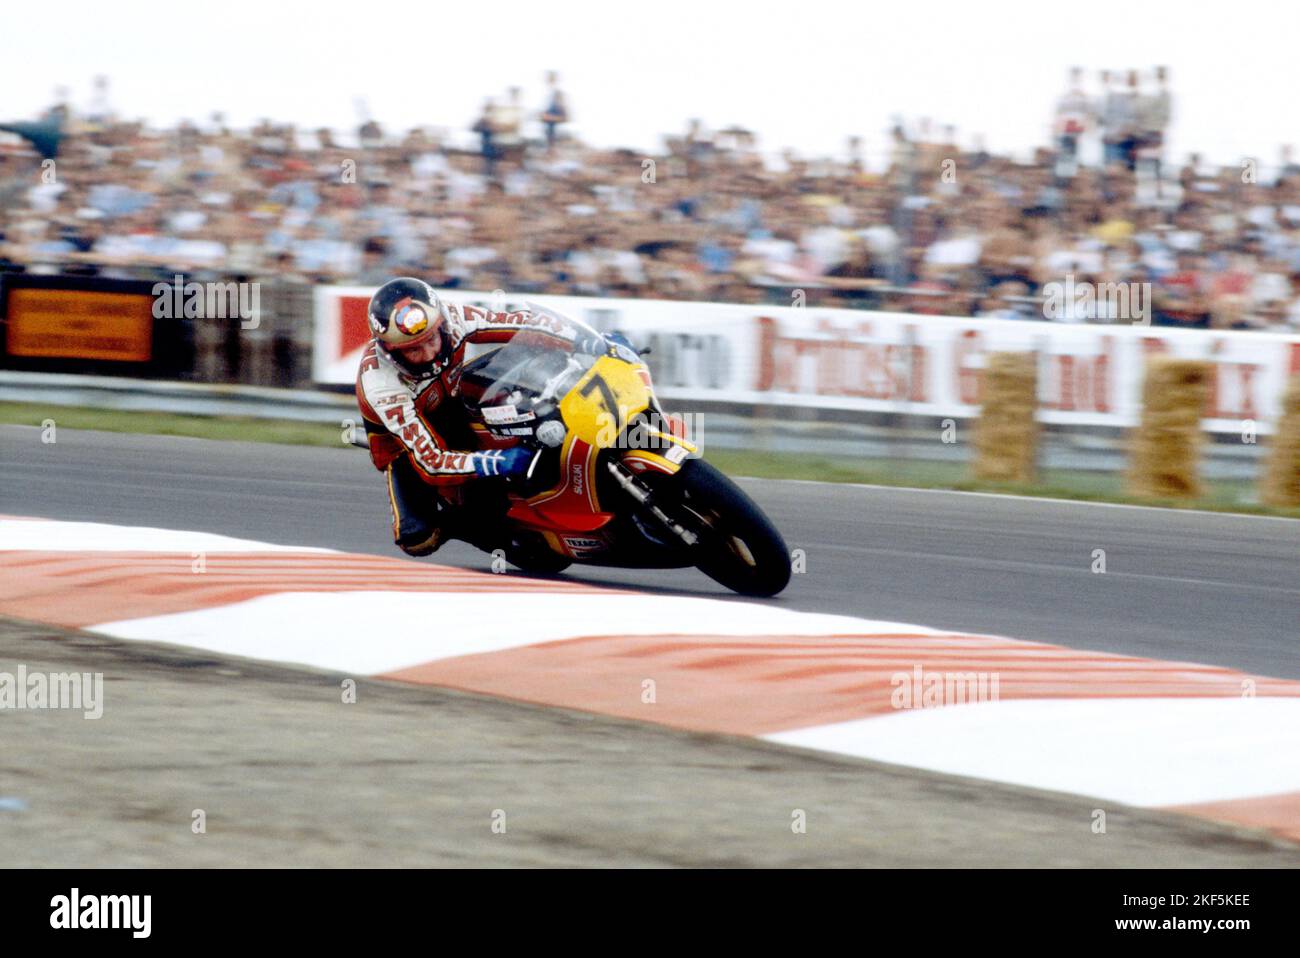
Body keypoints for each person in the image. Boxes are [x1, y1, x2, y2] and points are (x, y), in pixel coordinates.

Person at [355, 277, 571, 556]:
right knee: (417, 538)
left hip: (457, 400)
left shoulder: (455, 317)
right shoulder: (381, 385)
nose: (430, 353)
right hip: (405, 444)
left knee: (529, 354)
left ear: (441, 324)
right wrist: (495, 462)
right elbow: (431, 462)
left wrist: (589, 341)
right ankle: (459, 524)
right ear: (391, 352)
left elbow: (526, 323)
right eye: (413, 349)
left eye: (432, 338)